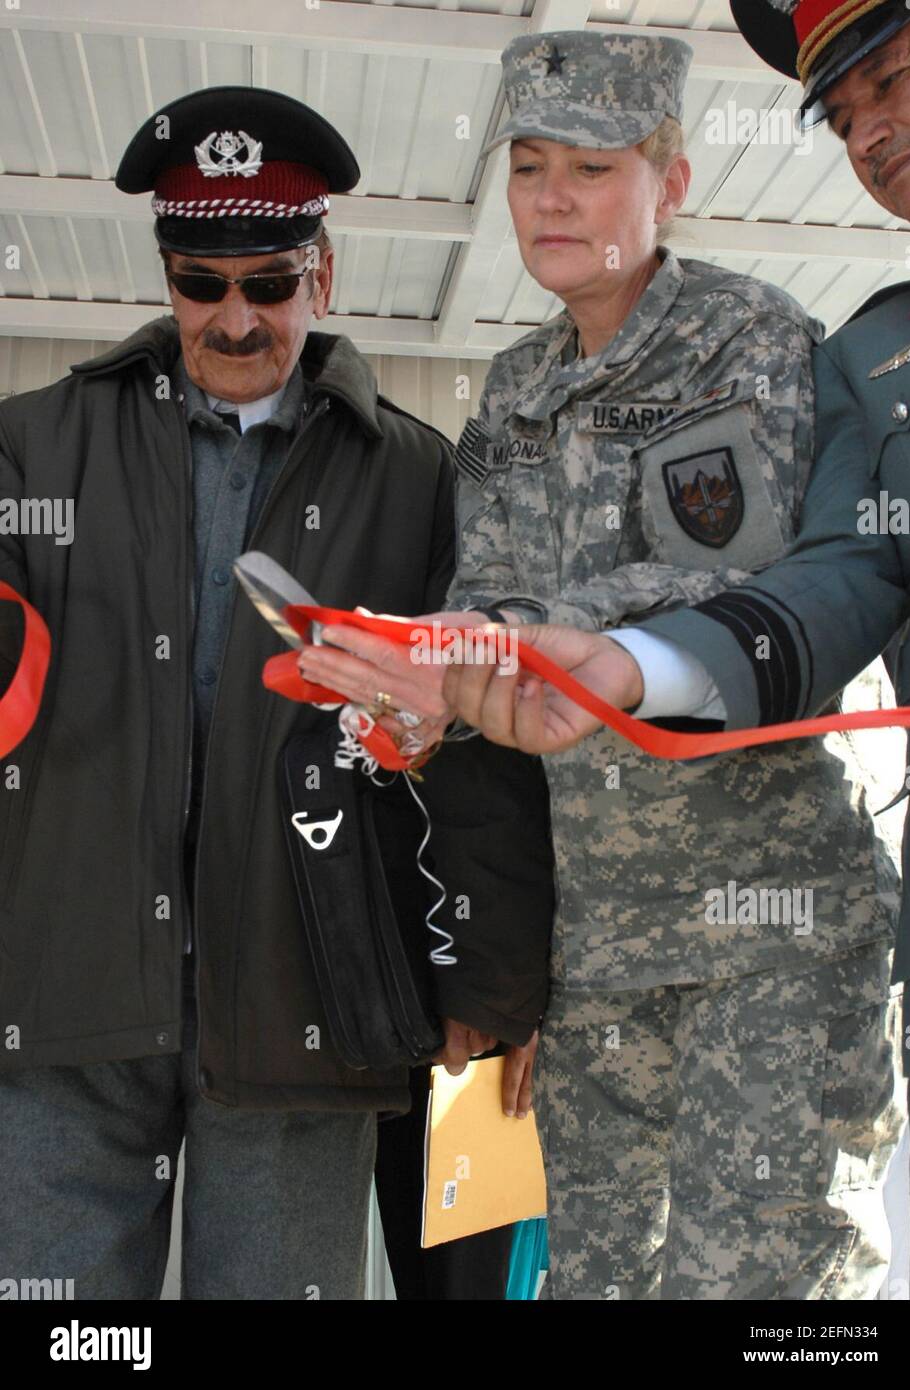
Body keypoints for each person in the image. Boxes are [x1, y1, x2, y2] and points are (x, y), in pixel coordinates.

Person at [296, 28, 904, 1299]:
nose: (554, 198)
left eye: (593, 164)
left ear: (669, 183)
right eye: (528, 167)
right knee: (589, 1284)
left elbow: (740, 584)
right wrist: (417, 704)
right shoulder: (511, 395)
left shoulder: (751, 337)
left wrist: (506, 649)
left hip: (769, 932)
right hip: (595, 953)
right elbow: (483, 616)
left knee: (766, 1290)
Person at [0, 85, 554, 1300]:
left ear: (326, 271)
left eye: (270, 281)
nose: (235, 317)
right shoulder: (29, 451)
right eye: (201, 282)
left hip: (308, 994)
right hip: (68, 1001)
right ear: (166, 275)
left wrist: (497, 994)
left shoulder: (422, 483)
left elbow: (487, 759)